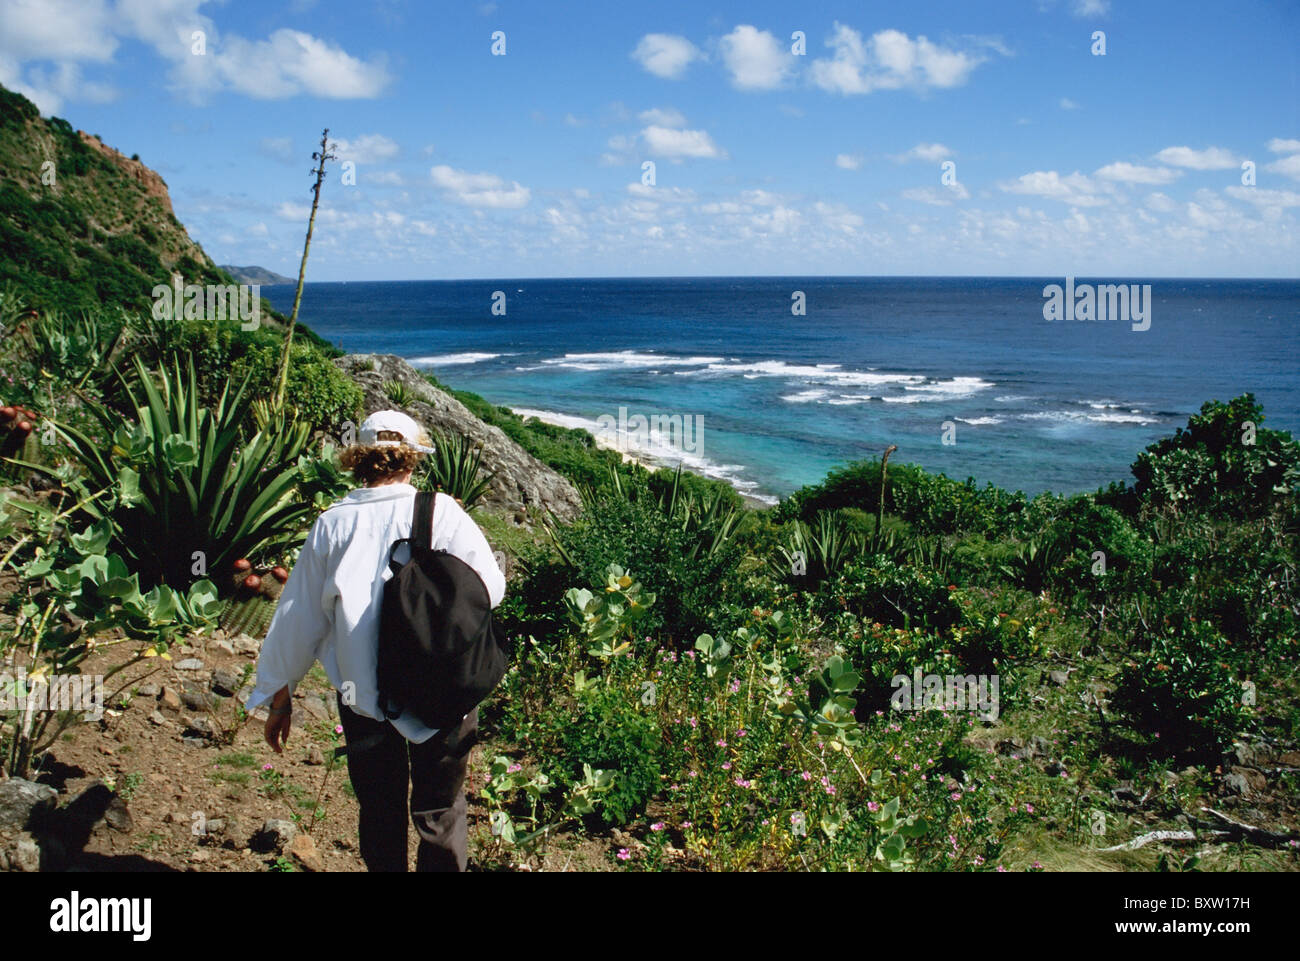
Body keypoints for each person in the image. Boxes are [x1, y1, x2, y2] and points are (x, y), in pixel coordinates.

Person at [246, 410, 505, 871]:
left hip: (362, 693)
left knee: (380, 808)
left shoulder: (333, 523)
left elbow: (298, 616)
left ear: (360, 461)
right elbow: (491, 588)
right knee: (440, 811)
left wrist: (280, 696)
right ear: (411, 460)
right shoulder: (440, 510)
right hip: (442, 689)